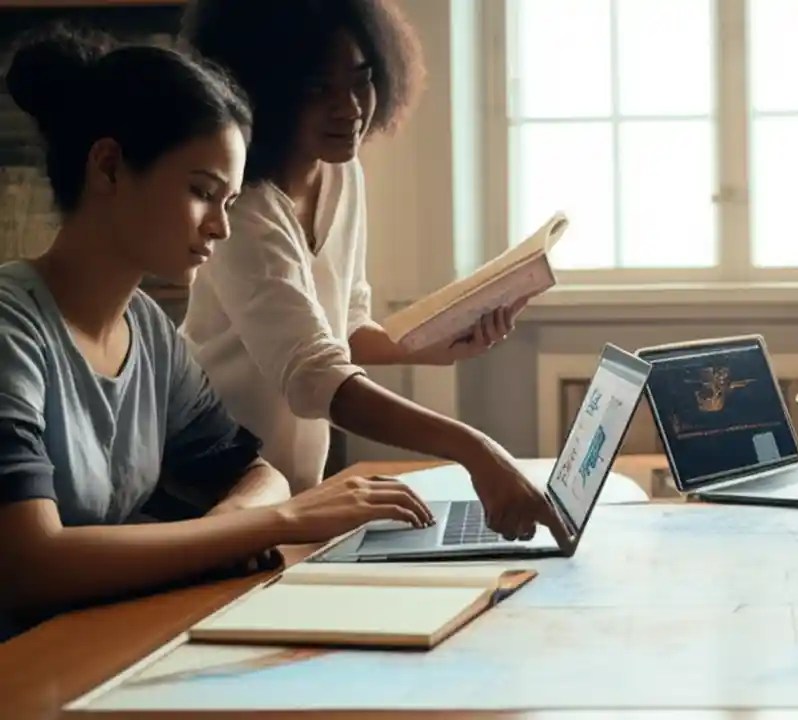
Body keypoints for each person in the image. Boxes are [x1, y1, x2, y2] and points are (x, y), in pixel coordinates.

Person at [0, 27, 431, 641]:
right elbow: (29, 564)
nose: (222, 228)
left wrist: (247, 522)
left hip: (95, 642)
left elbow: (259, 476)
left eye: (230, 200)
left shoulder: (147, 332)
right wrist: (268, 524)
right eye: (203, 193)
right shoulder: (12, 328)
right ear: (109, 167)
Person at [178, 0, 566, 544]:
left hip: (295, 494)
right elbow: (314, 373)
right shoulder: (242, 208)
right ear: (264, 90)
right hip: (216, 495)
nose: (350, 109)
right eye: (318, 89)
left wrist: (431, 343)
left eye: (361, 80)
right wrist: (476, 449)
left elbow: (344, 323)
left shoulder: (343, 174)